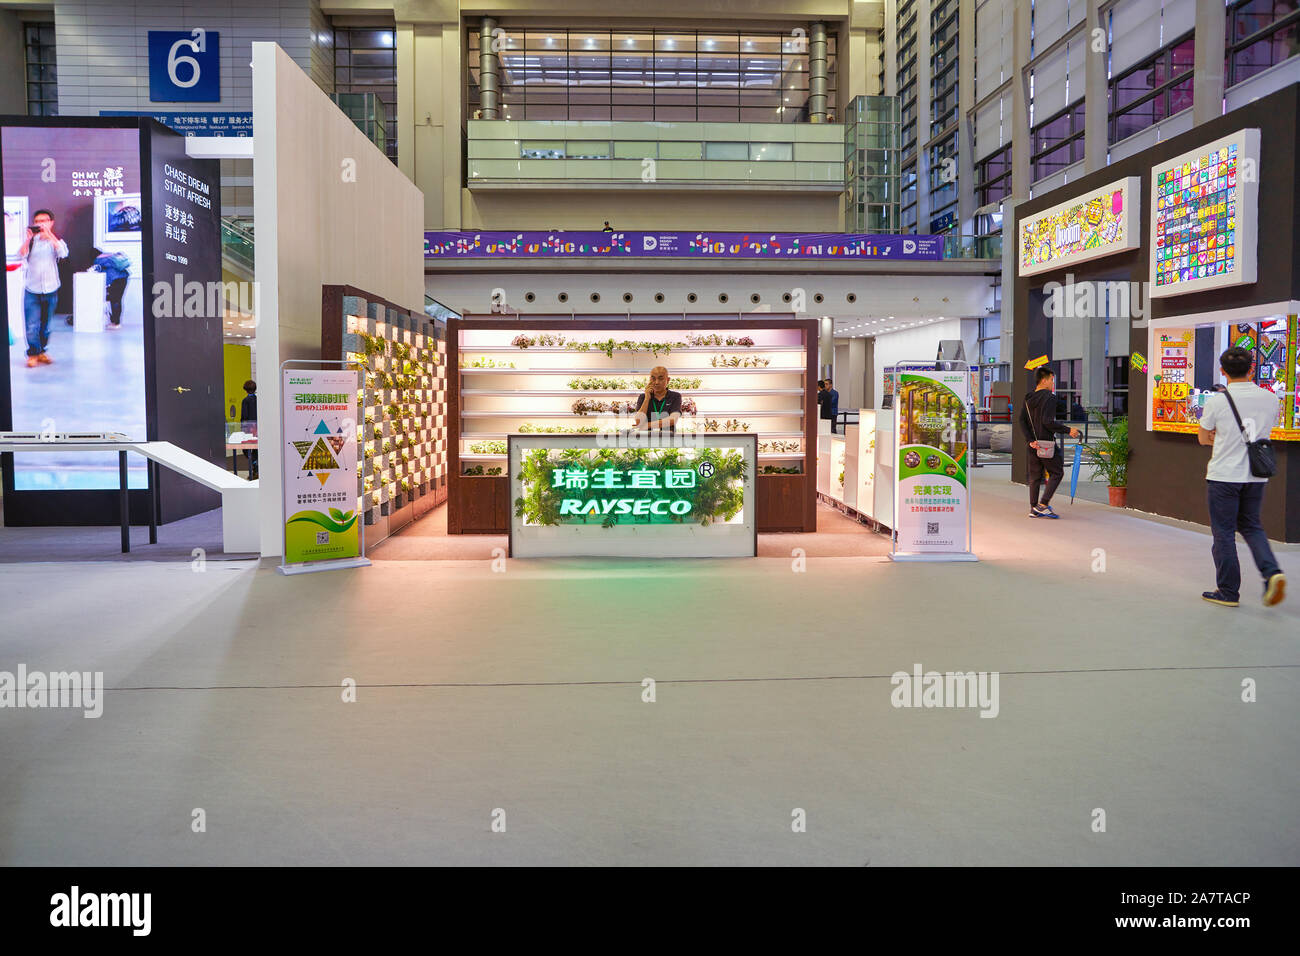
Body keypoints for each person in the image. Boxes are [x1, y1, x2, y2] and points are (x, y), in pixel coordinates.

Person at [1196, 347, 1285, 608]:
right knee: (1252, 526)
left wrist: (1219, 436)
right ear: (1252, 367)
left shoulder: (1217, 401)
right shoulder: (1270, 399)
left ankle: (1228, 591)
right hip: (1256, 475)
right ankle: (1271, 572)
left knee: (1223, 533)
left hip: (1224, 475)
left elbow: (1203, 438)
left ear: (1223, 371)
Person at [1018, 367, 1080, 518]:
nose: (1053, 383)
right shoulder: (1050, 397)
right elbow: (1047, 422)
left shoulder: (1028, 397)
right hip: (1046, 444)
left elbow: (1021, 420)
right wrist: (1068, 430)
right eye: (1052, 380)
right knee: (1057, 472)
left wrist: (1030, 440)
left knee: (1035, 477)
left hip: (1033, 445)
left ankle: (1034, 508)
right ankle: (1044, 504)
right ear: (1044, 380)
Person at [18, 209, 68, 368]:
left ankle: (42, 352)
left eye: (44, 220)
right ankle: (33, 354)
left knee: (46, 327)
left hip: (51, 289)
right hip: (32, 290)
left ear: (51, 222)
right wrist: (27, 239)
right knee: (32, 326)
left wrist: (50, 236)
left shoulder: (56, 241)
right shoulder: (32, 241)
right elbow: (21, 255)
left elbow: (63, 253)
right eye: (38, 221)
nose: (41, 224)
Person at [629, 366, 682, 433]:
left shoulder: (675, 396)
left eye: (660, 379)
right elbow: (638, 421)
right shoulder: (643, 397)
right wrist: (647, 398)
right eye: (653, 378)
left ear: (668, 380)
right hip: (647, 439)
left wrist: (647, 425)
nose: (656, 382)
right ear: (650, 380)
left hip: (668, 439)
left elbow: (673, 419)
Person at [91, 247, 131, 330]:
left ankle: (116, 323)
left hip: (116, 280)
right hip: (124, 277)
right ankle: (115, 321)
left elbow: (97, 270)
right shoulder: (109, 255)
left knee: (115, 300)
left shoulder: (98, 260)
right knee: (117, 299)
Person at [240, 379, 259, 478]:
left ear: (246, 390)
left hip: (248, 428)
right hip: (258, 429)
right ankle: (256, 468)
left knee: (246, 449)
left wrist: (242, 429)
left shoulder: (245, 401)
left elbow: (244, 416)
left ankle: (253, 465)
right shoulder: (258, 400)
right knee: (256, 449)